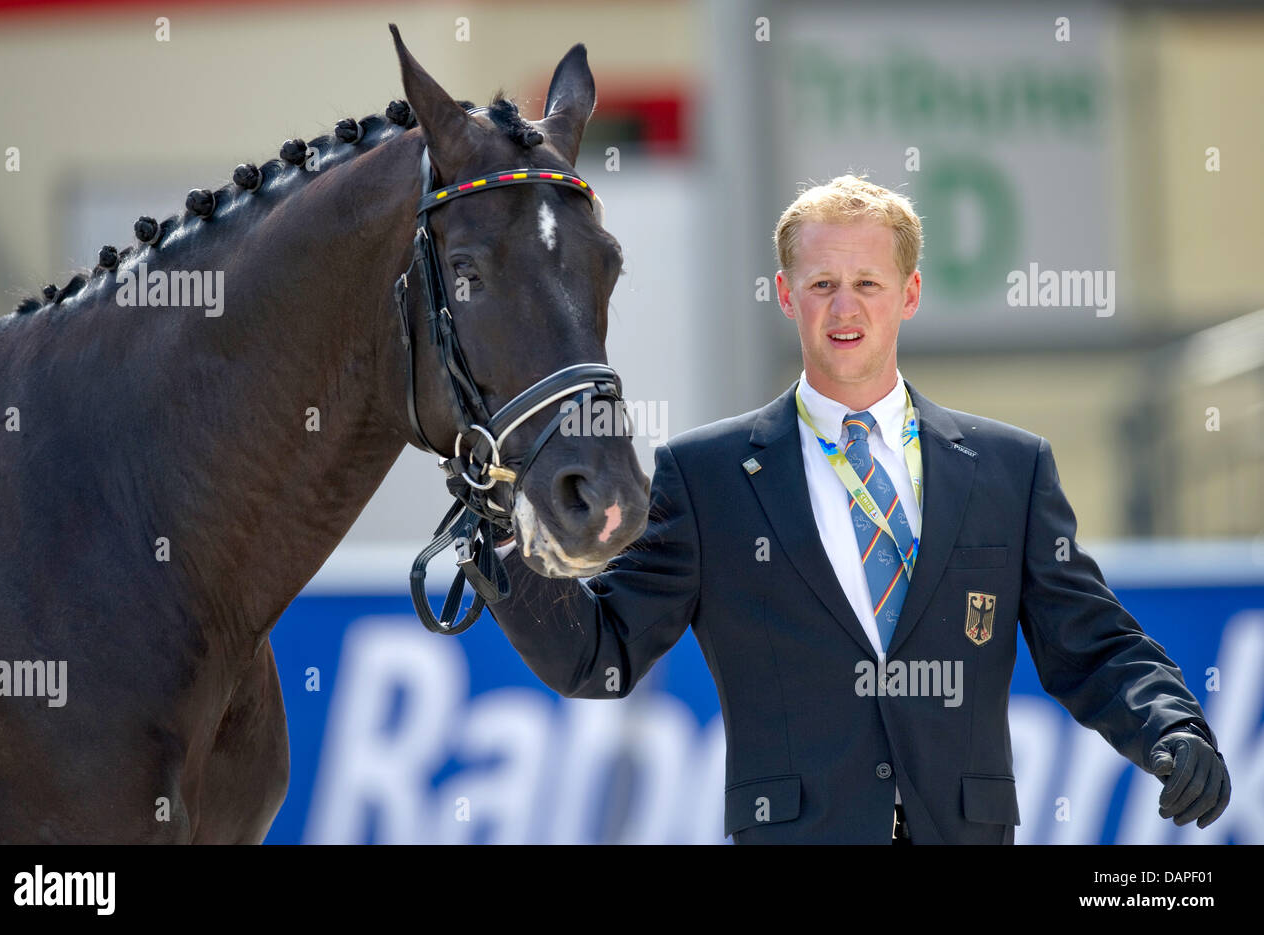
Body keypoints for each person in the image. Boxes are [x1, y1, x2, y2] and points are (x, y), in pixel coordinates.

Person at [485, 175, 1230, 844]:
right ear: (785, 294)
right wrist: (498, 537)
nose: (845, 308)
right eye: (821, 284)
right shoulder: (705, 476)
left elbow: (1094, 645)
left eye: (868, 283)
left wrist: (1172, 723)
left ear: (908, 294)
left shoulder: (1011, 468)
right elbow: (599, 654)